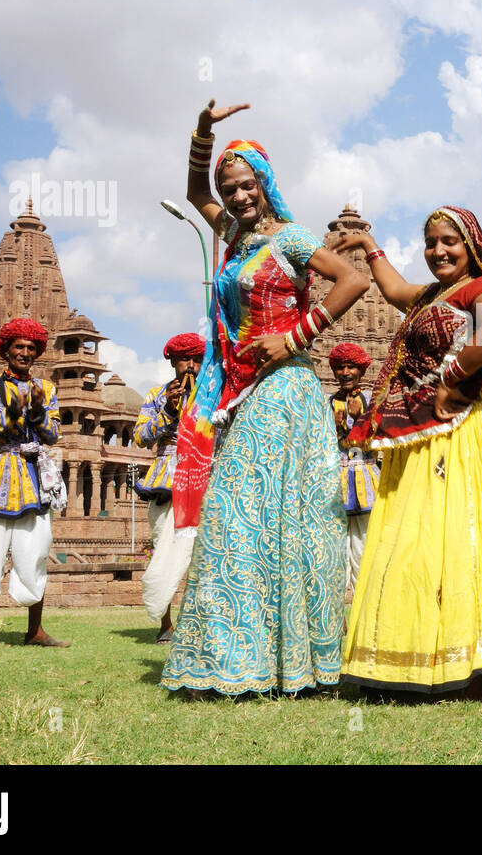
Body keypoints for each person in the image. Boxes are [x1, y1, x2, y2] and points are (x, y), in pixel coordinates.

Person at [160, 100, 368, 697]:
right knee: (243, 516)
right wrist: (202, 133)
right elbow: (193, 187)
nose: (238, 196)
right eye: (231, 189)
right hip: (245, 392)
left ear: (266, 184)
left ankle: (297, 664)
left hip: (290, 387)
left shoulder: (291, 238)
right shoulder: (230, 233)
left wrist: (297, 334)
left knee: (286, 520)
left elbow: (351, 279)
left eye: (248, 185)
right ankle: (240, 658)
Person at [334, 207, 482, 699]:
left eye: (449, 242)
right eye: (431, 242)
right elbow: (394, 291)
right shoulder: (434, 295)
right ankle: (409, 654)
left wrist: (453, 377)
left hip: (463, 430)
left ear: (473, 246)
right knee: (413, 538)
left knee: (459, 531)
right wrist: (367, 246)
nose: (439, 251)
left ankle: (474, 658)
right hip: (421, 434)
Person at [0, 317, 69, 650]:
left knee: (36, 550)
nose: (24, 353)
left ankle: (35, 630)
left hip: (33, 474)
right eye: (18, 347)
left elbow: (54, 433)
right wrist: (9, 415)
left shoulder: (47, 390)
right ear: (6, 351)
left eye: (30, 348)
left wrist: (37, 412)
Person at [134, 332, 204, 643]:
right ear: (173, 363)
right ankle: (165, 625)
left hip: (204, 473)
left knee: (204, 555)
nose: (191, 366)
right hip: (166, 477)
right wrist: (169, 412)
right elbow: (141, 437)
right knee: (163, 543)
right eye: (185, 360)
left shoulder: (213, 395)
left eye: (197, 360)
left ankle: (199, 624)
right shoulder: (155, 395)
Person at [326, 342, 380, 595]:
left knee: (364, 545)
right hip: (335, 482)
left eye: (351, 367)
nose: (345, 372)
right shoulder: (327, 403)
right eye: (340, 368)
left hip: (366, 480)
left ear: (361, 371)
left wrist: (359, 420)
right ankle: (335, 613)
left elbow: (380, 442)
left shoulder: (371, 401)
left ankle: (363, 604)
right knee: (335, 548)